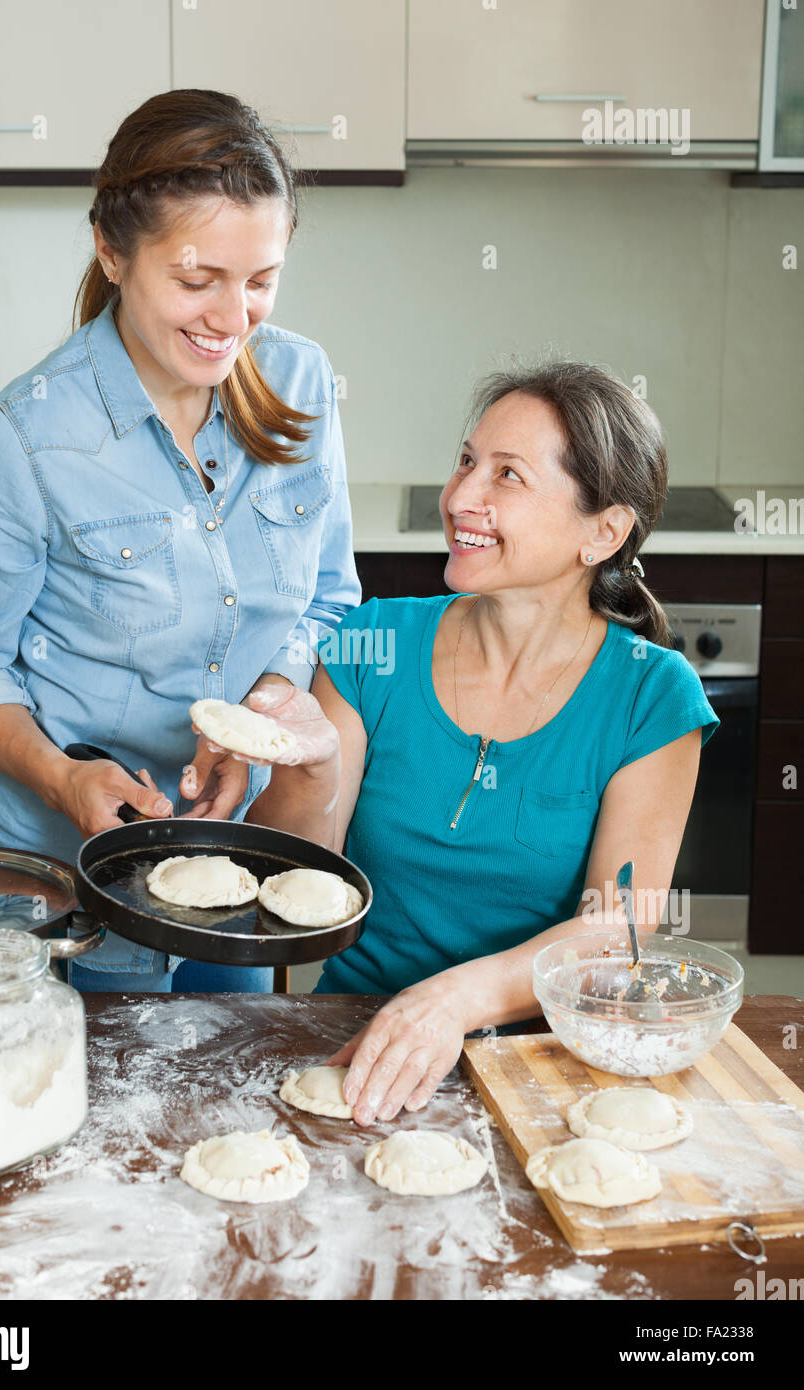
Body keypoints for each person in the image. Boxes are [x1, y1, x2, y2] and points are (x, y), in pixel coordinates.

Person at [0, 90, 360, 993]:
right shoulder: (25, 442)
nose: (235, 319)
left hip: (230, 863)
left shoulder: (302, 380)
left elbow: (326, 596)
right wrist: (57, 778)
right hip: (64, 892)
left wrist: (261, 714)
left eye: (262, 279)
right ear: (113, 251)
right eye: (198, 281)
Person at [239, 361, 719, 1123]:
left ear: (603, 531)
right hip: (357, 1040)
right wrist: (312, 772)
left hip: (545, 1067)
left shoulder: (650, 698)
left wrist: (451, 1001)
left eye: (508, 476)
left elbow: (615, 925)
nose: (462, 497)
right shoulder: (374, 643)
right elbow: (296, 888)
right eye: (467, 461)